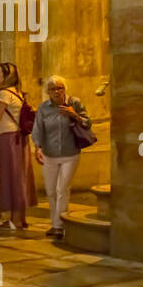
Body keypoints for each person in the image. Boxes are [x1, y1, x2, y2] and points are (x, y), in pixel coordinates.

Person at [32, 75, 92, 239]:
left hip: (70, 153)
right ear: (48, 92)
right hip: (49, 154)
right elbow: (38, 129)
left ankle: (60, 225)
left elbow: (87, 123)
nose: (57, 91)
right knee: (51, 191)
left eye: (60, 88)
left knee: (62, 189)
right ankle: (54, 223)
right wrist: (37, 148)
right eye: (53, 89)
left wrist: (74, 114)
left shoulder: (74, 103)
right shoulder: (44, 108)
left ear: (65, 89)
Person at [0, 62, 31, 230]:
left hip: (8, 139)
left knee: (11, 178)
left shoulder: (4, 94)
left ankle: (15, 219)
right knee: (19, 177)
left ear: (7, 76)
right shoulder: (18, 93)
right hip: (19, 138)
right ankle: (20, 217)